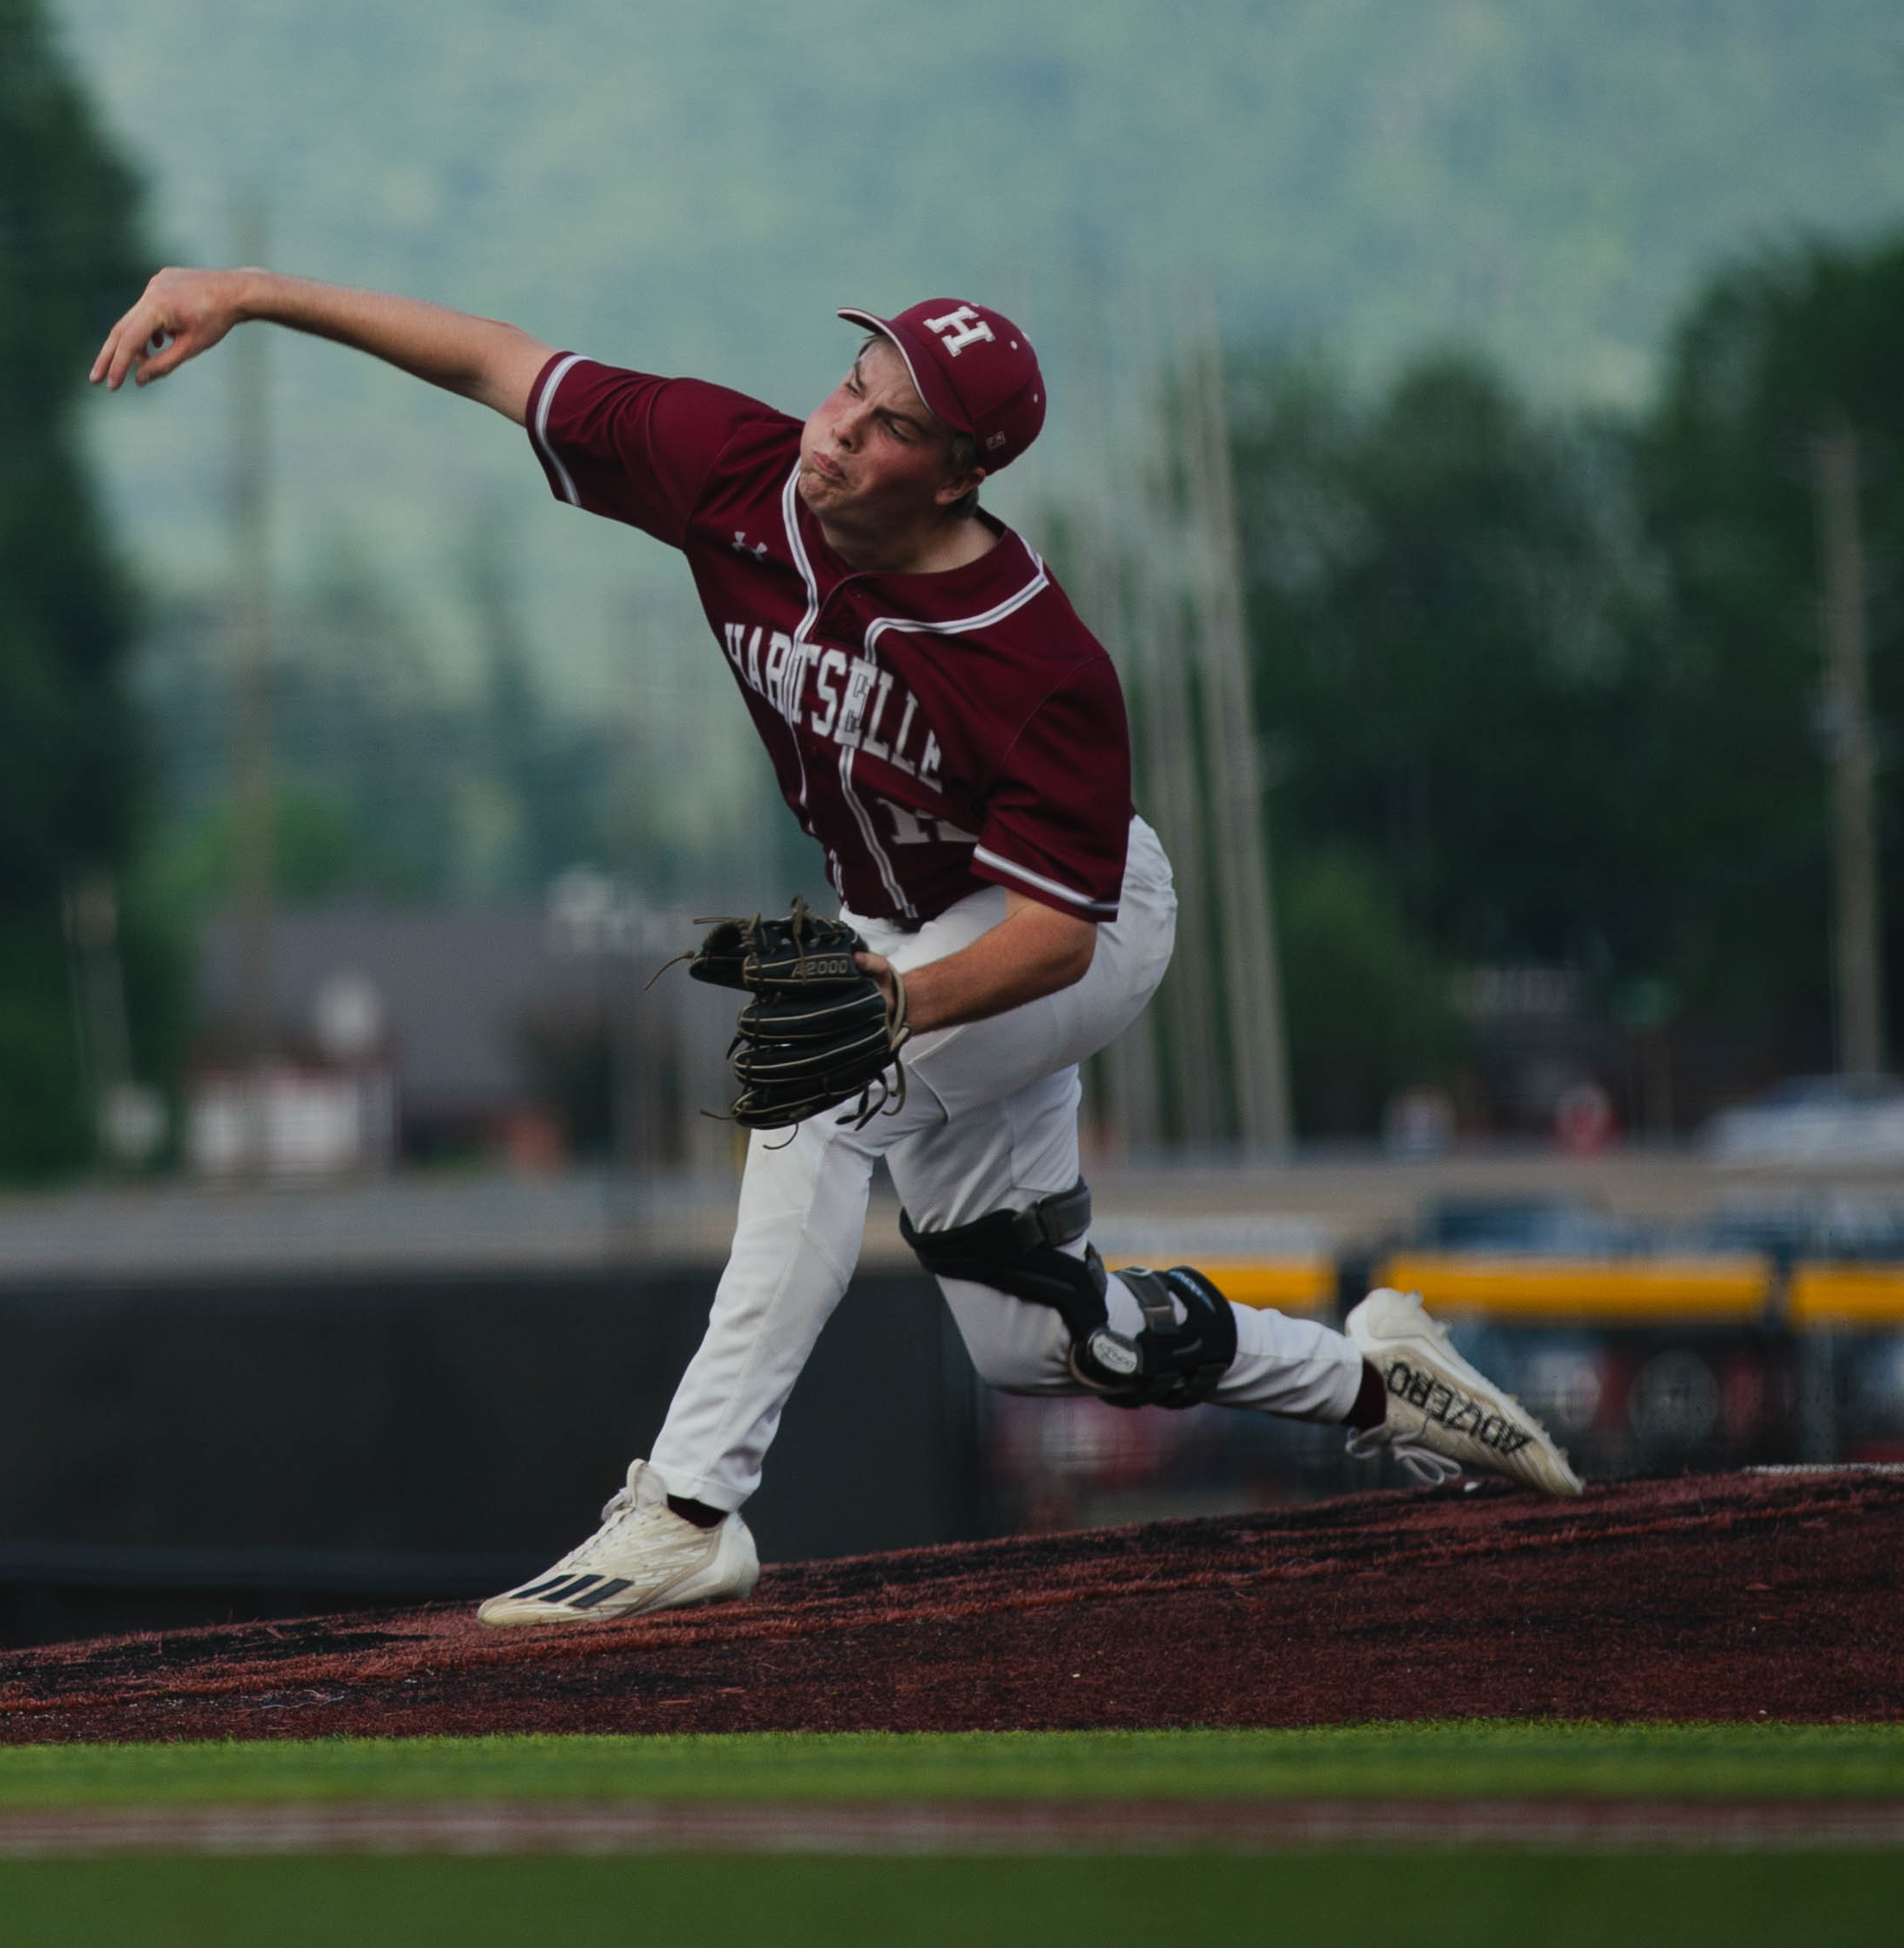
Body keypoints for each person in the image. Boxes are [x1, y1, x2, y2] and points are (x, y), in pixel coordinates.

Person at [92, 269, 1580, 1627]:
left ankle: (685, 1507)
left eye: (886, 424)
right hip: (916, 922)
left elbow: (1056, 938)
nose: (839, 427)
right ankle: (1379, 1379)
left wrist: (890, 1003)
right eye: (849, 383)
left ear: (958, 470)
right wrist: (251, 295)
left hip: (1069, 924)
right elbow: (497, 363)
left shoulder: (1032, 652)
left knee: (813, 1088)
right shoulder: (730, 468)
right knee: (1040, 1344)